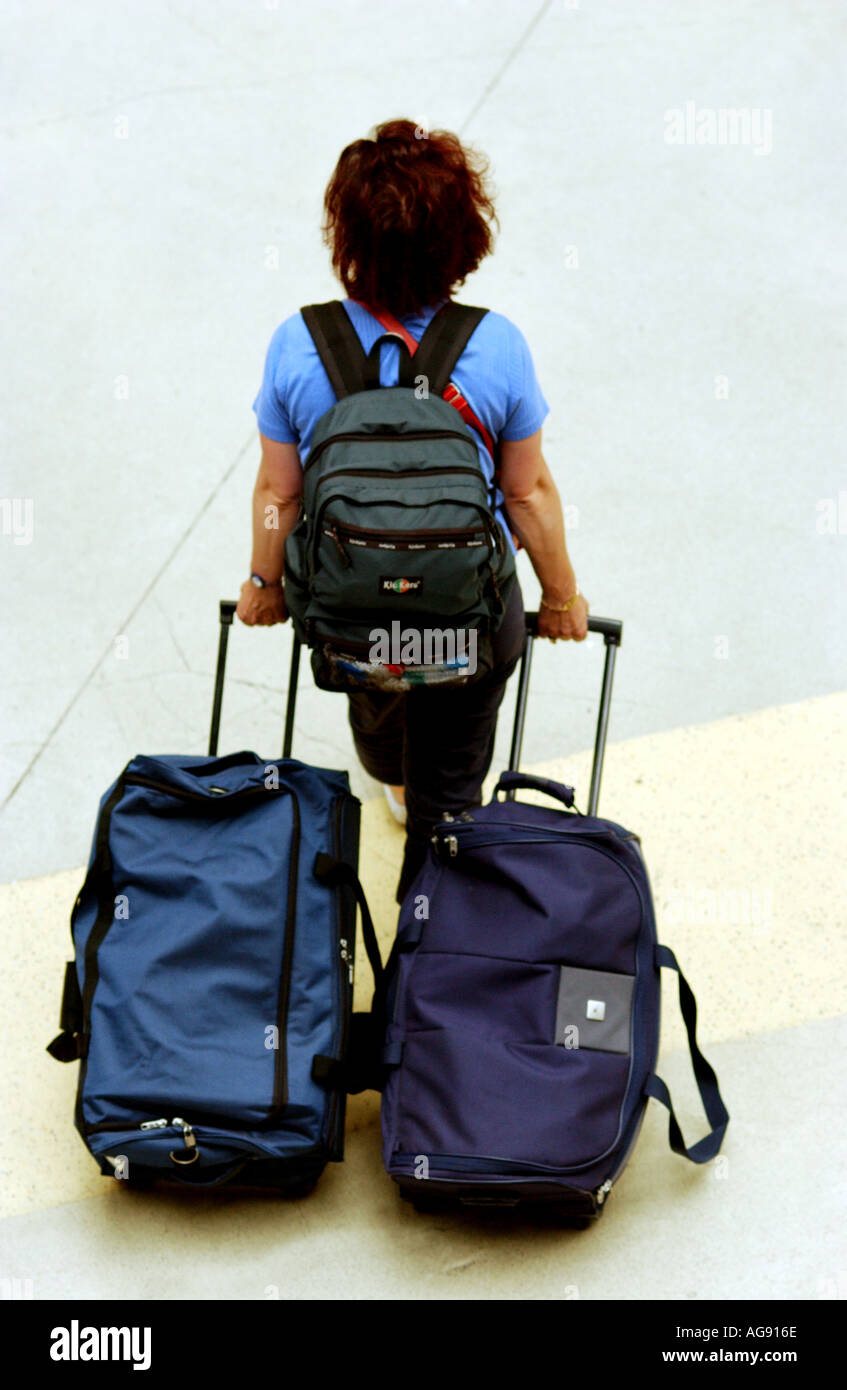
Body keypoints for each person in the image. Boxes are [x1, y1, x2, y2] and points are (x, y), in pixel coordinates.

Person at [238, 119, 588, 900]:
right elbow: (526, 495)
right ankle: (436, 904)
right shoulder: (496, 346)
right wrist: (561, 598)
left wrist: (264, 585)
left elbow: (280, 494)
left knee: (379, 706)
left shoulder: (300, 344)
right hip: (469, 618)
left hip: (354, 615)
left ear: (348, 236)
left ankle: (390, 774)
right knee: (455, 780)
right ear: (463, 237)